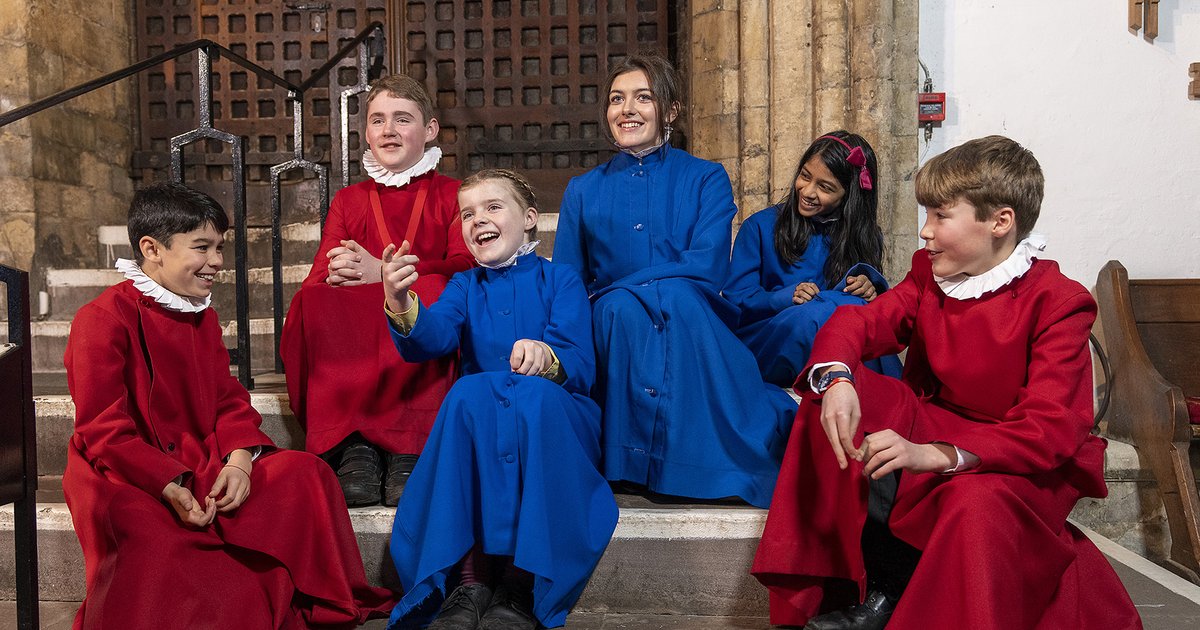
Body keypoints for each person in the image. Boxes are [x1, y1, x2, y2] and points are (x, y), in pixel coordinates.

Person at [751, 136, 1142, 629]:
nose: (925, 232)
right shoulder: (929, 276)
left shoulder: (1059, 302)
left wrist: (937, 453)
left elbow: (1049, 429)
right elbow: (857, 324)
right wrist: (838, 378)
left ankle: (902, 601)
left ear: (1000, 222)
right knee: (828, 398)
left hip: (1019, 457)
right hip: (936, 421)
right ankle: (836, 588)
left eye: (940, 216)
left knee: (973, 503)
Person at [63, 182, 397, 629]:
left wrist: (239, 459)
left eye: (219, 247)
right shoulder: (101, 319)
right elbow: (103, 429)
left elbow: (228, 401)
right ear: (152, 248)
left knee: (306, 473)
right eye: (202, 247)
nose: (217, 261)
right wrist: (170, 485)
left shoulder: (201, 314)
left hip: (201, 456)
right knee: (174, 554)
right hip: (128, 471)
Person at [553, 52, 796, 508]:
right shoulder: (582, 190)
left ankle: (696, 463)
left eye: (643, 98)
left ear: (672, 110)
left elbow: (706, 266)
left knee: (673, 297)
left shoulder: (706, 177)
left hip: (691, 315)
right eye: (616, 99)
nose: (627, 109)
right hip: (614, 326)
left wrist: (617, 288)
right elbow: (567, 281)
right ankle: (627, 458)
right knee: (620, 310)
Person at [381, 169, 617, 630]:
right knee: (467, 393)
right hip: (485, 420)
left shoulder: (561, 279)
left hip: (556, 417)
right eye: (467, 213)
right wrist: (399, 300)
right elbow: (430, 338)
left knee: (533, 400)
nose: (477, 220)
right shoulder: (464, 287)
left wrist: (546, 356)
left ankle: (520, 581)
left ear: (529, 218)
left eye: (493, 207)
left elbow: (580, 366)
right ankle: (469, 581)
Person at [280, 74, 473, 507]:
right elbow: (318, 276)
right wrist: (337, 269)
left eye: (402, 120)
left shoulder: (453, 194)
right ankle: (354, 445)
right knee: (315, 299)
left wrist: (385, 273)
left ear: (430, 130)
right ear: (365, 132)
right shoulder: (349, 200)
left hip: (420, 303)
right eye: (377, 120)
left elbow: (466, 264)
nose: (388, 131)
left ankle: (411, 444)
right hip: (362, 317)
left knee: (439, 289)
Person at [725, 131, 902, 386]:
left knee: (852, 314)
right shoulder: (760, 226)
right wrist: (786, 296)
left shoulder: (866, 236)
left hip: (832, 343)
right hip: (766, 344)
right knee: (820, 315)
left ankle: (887, 396)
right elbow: (735, 302)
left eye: (825, 187)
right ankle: (895, 388)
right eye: (805, 176)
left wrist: (871, 289)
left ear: (849, 195)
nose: (807, 191)